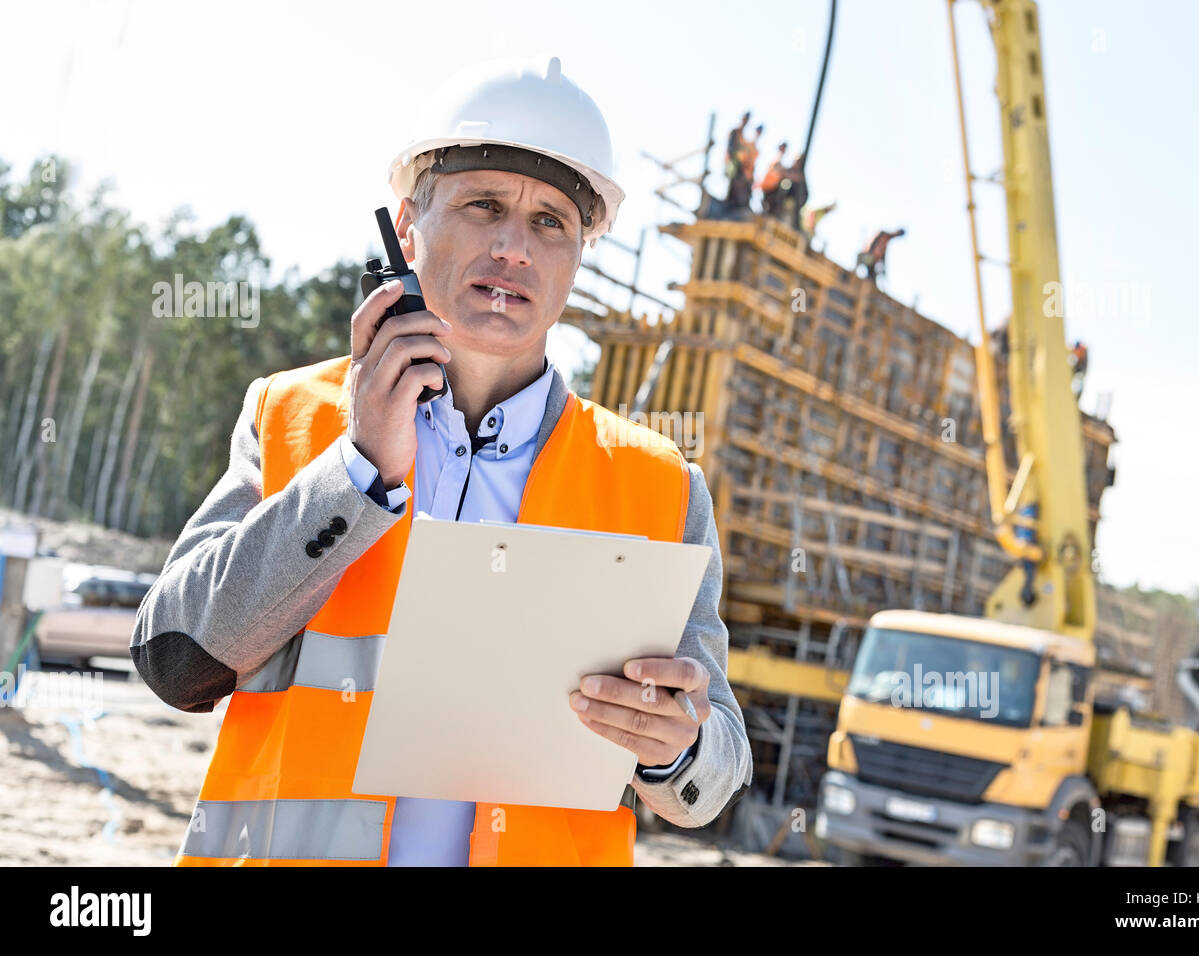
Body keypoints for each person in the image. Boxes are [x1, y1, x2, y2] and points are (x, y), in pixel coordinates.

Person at [132, 55, 752, 868]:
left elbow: (719, 775)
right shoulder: (294, 416)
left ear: (577, 256)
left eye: (550, 223)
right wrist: (357, 471)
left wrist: (675, 746)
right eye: (483, 205)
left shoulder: (659, 487)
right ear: (406, 223)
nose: (513, 247)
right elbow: (175, 661)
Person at [724, 111, 753, 213]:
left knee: (742, 185)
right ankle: (729, 206)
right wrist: (739, 156)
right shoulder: (735, 132)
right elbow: (730, 150)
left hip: (740, 168)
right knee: (733, 184)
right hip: (733, 165)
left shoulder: (743, 137)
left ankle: (737, 207)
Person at [758, 141, 788, 215]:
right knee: (767, 208)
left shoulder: (779, 159)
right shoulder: (776, 159)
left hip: (772, 187)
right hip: (768, 187)